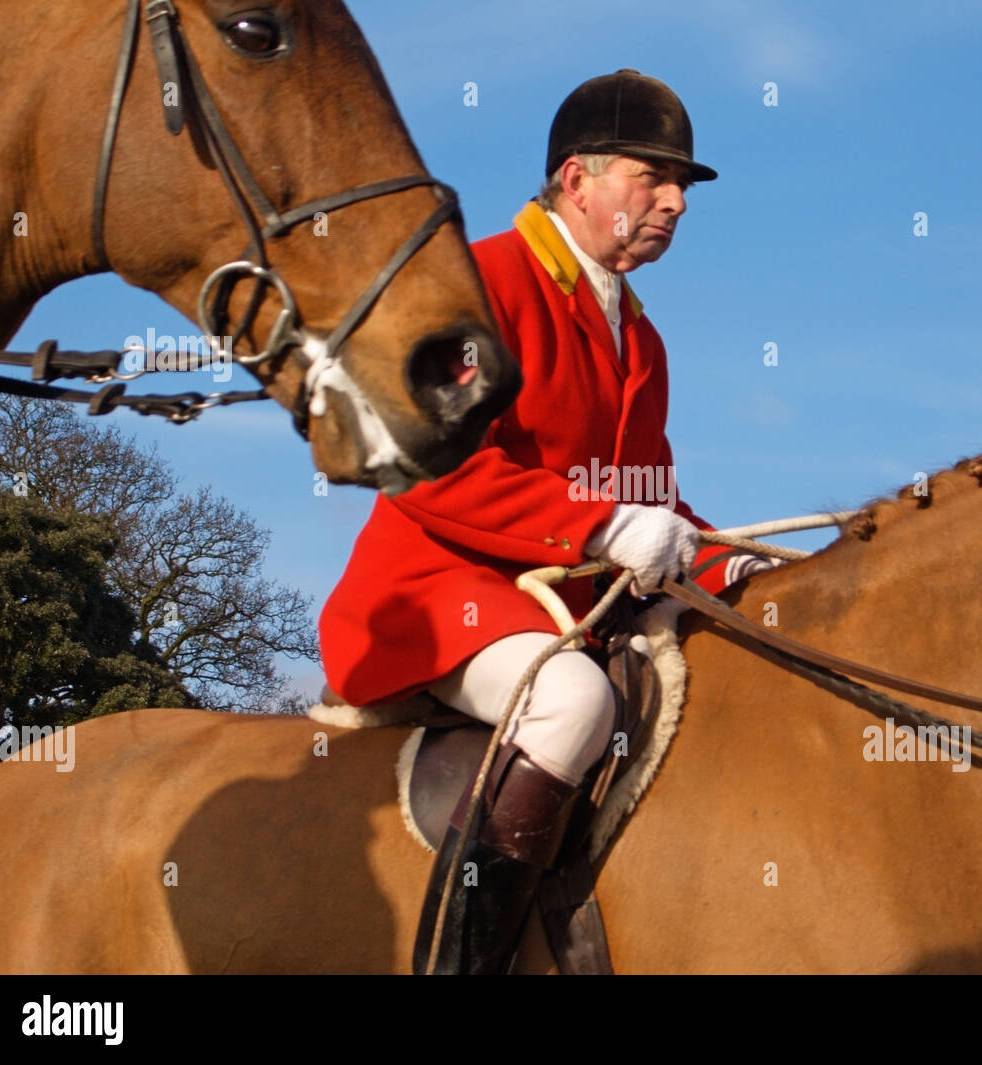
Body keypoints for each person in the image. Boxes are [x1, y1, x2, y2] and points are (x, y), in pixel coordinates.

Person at [319, 69, 772, 974]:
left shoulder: (639, 336)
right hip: (439, 594)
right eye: (654, 176)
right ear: (577, 179)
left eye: (681, 184)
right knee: (575, 704)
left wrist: (739, 566)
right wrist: (602, 531)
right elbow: (431, 467)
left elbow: (653, 499)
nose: (677, 201)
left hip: (562, 609)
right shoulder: (479, 281)